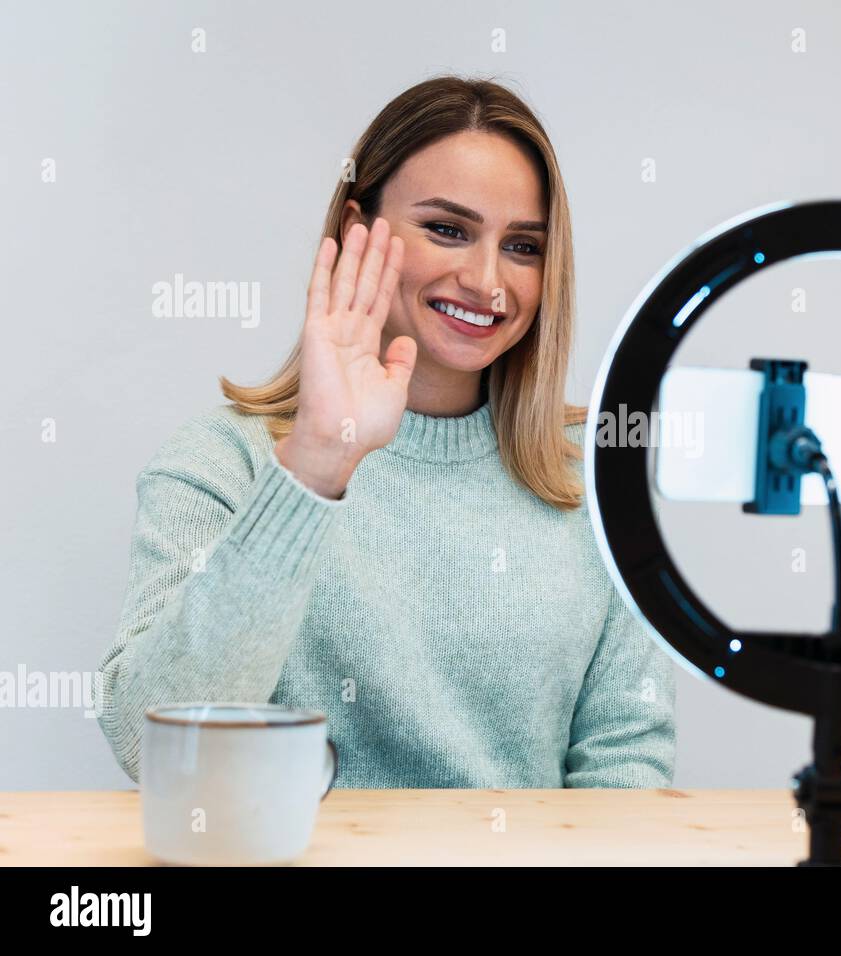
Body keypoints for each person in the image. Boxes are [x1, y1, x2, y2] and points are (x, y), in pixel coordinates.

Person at [95, 75, 676, 788]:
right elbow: (149, 743)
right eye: (448, 230)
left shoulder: (595, 487)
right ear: (354, 229)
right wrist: (313, 469)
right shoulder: (222, 463)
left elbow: (626, 765)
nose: (488, 280)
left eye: (523, 246)